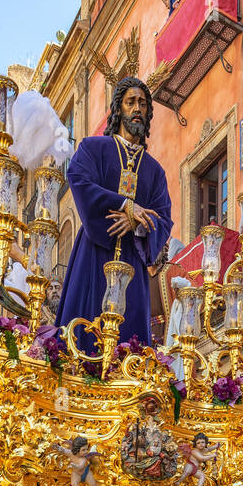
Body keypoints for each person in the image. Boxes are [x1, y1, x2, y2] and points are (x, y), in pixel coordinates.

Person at [55, 77, 172, 358]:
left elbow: (164, 217)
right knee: (82, 336)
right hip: (95, 254)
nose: (137, 108)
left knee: (130, 347)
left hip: (132, 259)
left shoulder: (155, 170)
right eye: (130, 102)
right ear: (119, 109)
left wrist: (138, 223)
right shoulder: (94, 148)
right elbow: (79, 180)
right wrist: (125, 204)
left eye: (142, 104)